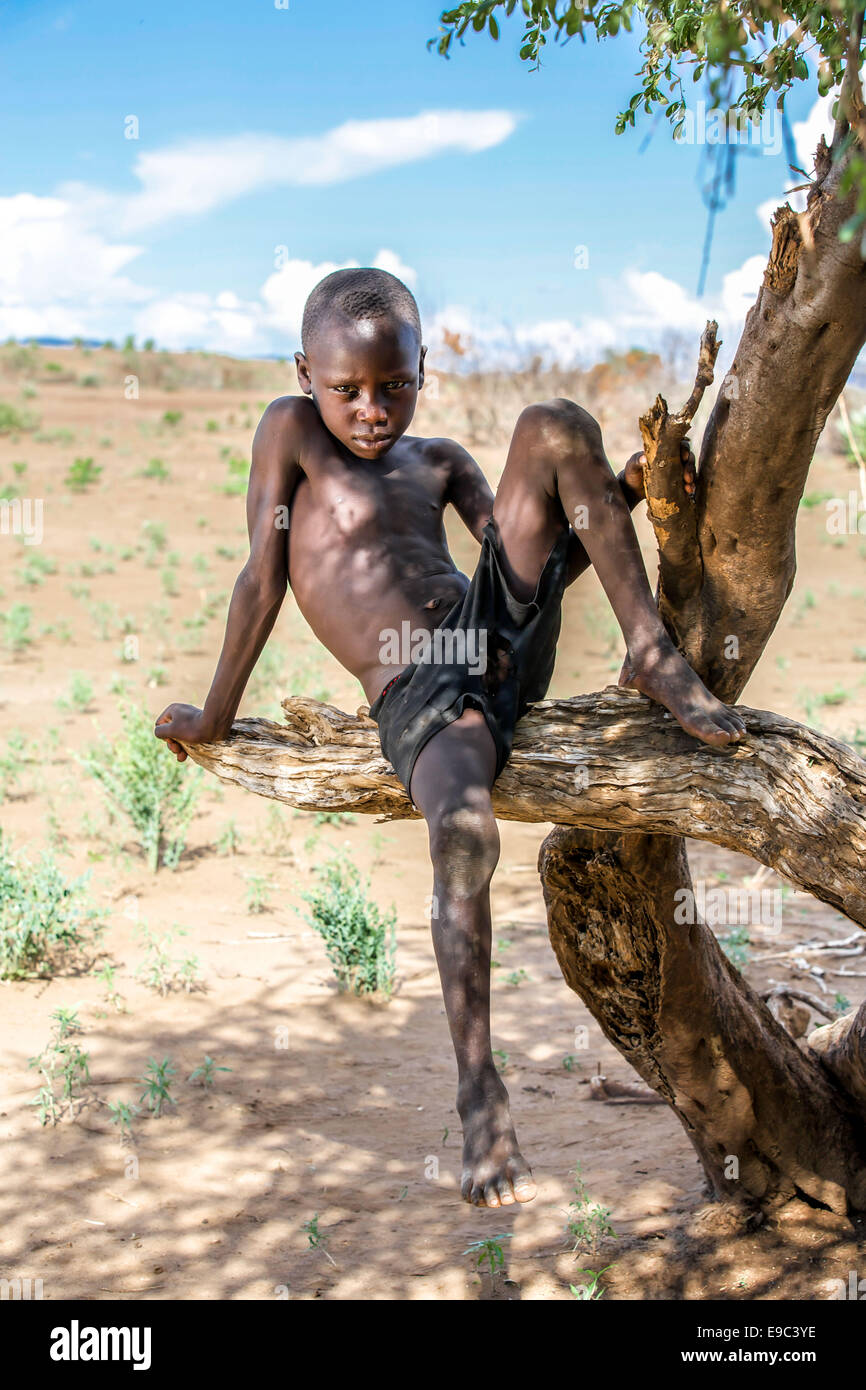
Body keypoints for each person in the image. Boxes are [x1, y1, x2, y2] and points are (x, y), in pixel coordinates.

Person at [155, 267, 745, 1208]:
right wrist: (215, 715)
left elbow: (542, 557)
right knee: (464, 830)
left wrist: (620, 490)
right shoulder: (292, 433)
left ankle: (652, 654)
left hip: (497, 639)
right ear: (305, 373)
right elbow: (260, 580)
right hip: (418, 688)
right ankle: (480, 1091)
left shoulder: (439, 462)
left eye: (393, 385)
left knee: (552, 425)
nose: (372, 408)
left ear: (423, 369)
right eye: (346, 388)